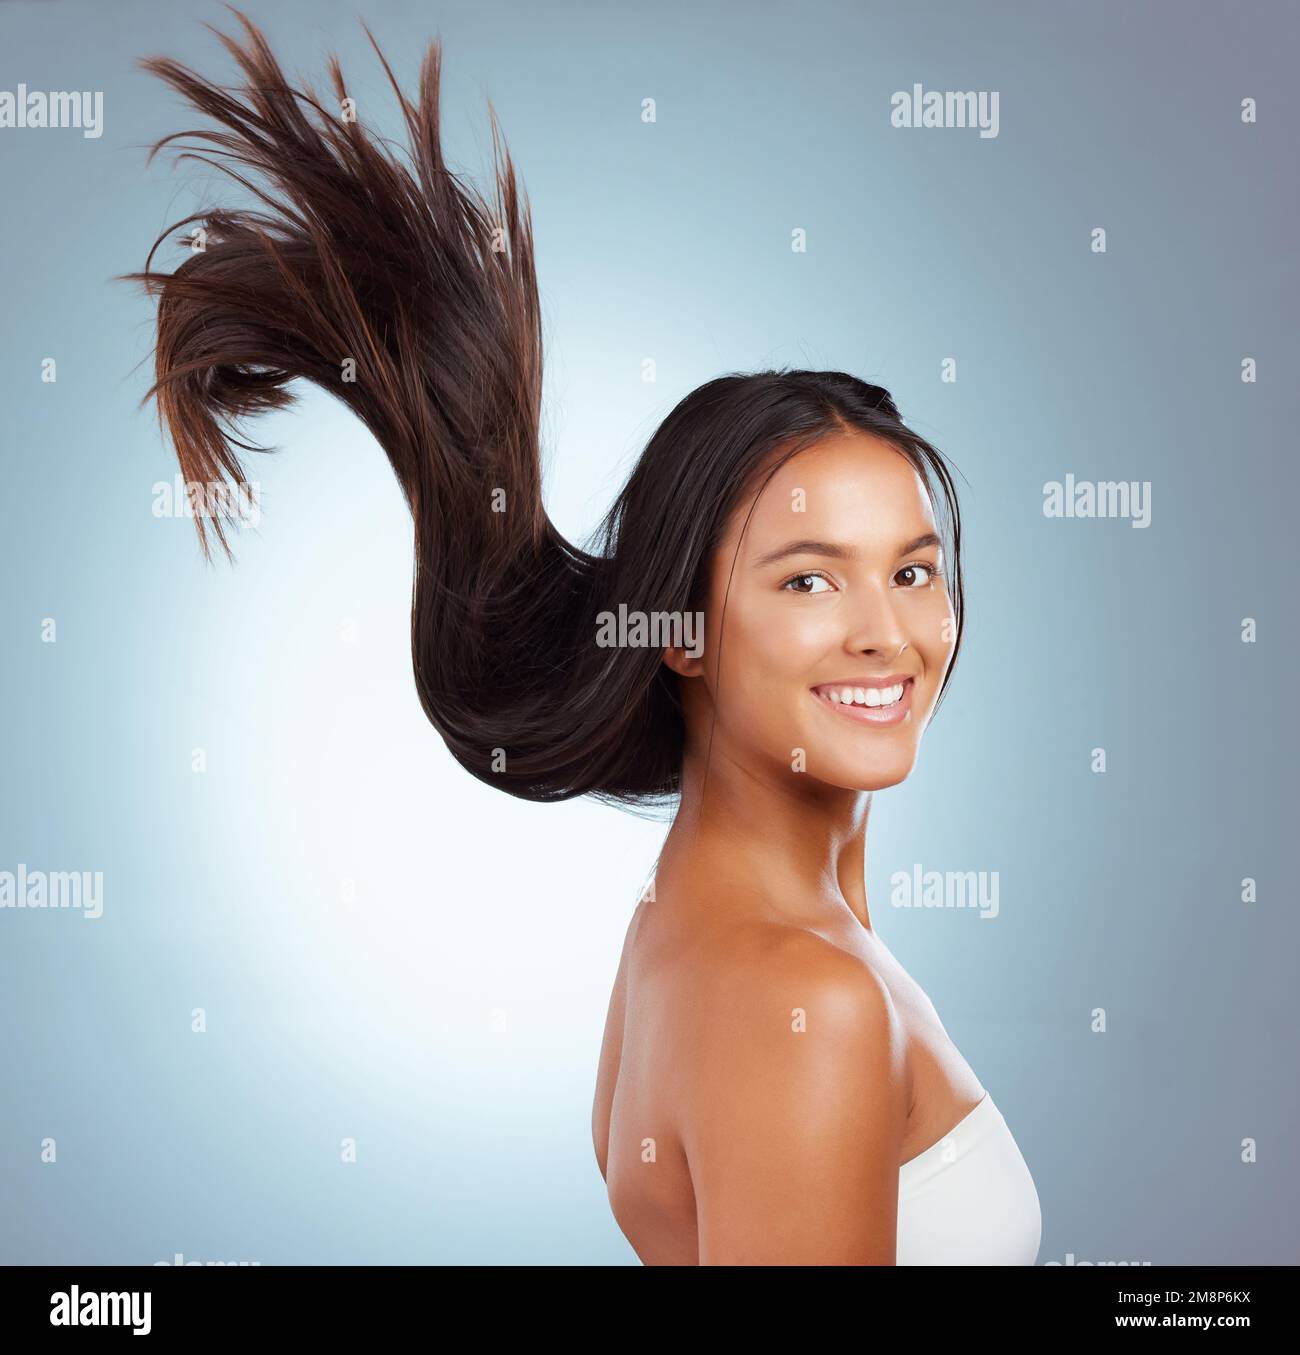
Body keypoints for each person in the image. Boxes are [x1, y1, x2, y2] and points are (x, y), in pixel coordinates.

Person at [128, 9, 1040, 1266]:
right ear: (684, 634)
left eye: (913, 568)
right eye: (807, 582)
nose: (890, 634)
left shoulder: (715, 909)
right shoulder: (801, 1001)